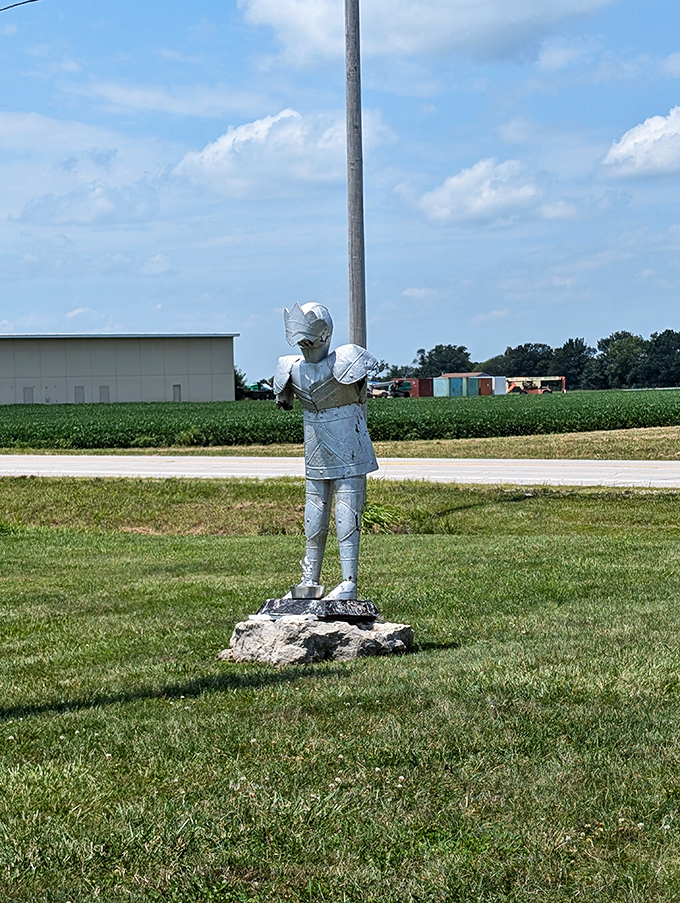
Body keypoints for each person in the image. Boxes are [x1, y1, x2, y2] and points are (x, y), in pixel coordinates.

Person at [274, 302, 378, 601]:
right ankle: (310, 578)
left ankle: (348, 582)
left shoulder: (348, 359)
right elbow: (284, 400)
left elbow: (357, 387)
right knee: (315, 510)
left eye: (308, 339)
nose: (305, 346)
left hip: (349, 442)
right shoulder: (290, 367)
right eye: (300, 341)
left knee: (347, 511)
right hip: (315, 443)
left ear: (324, 334)